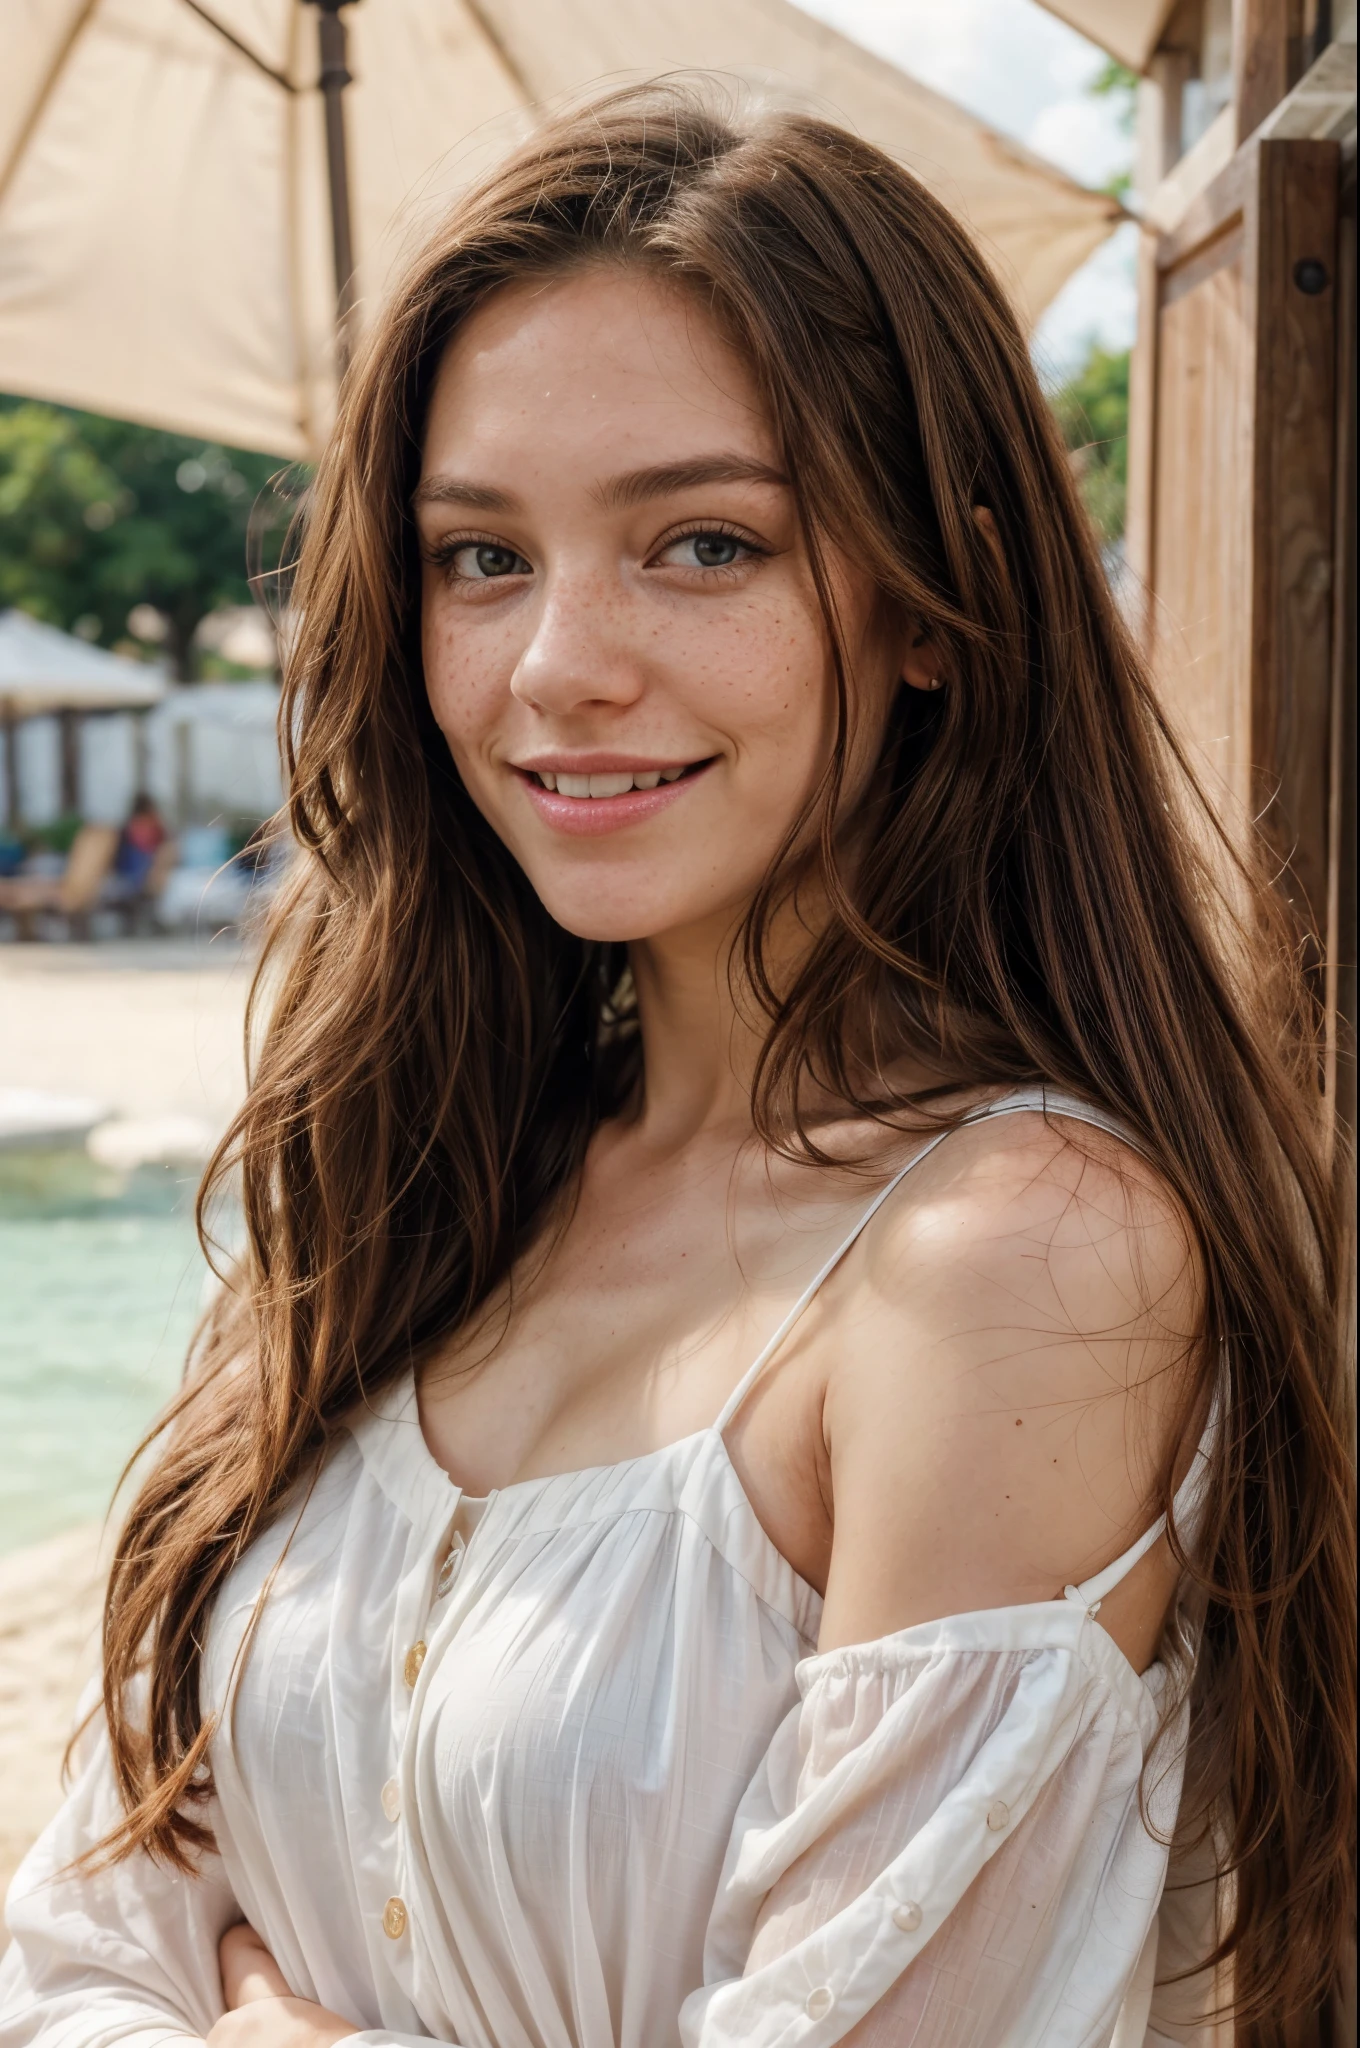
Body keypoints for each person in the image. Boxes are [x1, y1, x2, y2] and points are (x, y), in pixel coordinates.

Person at [1, 83, 1353, 2048]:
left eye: (700, 542)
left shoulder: (1013, 1267)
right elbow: (74, 1933)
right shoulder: (415, 1184)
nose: (556, 662)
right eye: (479, 557)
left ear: (927, 606)